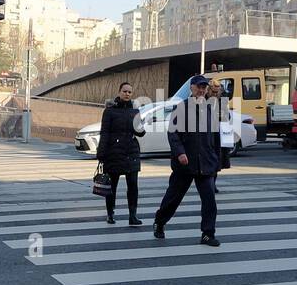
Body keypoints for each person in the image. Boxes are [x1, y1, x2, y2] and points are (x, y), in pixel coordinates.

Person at [153, 74, 224, 247]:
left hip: (205, 163)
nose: (201, 90)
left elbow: (215, 137)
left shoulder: (210, 109)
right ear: (191, 88)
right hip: (185, 163)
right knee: (173, 198)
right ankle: (160, 222)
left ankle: (208, 233)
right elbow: (173, 133)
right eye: (198, 87)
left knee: (209, 201)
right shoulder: (181, 108)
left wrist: (217, 160)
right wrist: (180, 153)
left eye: (204, 87)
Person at [96, 82, 146, 225]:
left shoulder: (135, 111)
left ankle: (133, 216)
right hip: (114, 153)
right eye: (124, 91)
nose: (127, 94)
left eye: (130, 92)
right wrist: (101, 153)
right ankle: (110, 214)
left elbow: (140, 132)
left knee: (133, 186)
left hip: (131, 152)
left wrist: (141, 126)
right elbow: (104, 133)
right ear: (119, 92)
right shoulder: (109, 111)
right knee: (112, 186)